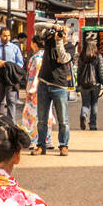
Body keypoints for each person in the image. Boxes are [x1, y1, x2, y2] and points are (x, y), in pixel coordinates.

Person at [32, 23, 73, 156]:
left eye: (64, 32)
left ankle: (63, 145)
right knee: (42, 119)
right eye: (62, 31)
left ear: (69, 35)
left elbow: (63, 58)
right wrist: (53, 26)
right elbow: (37, 26)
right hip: (44, 82)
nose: (62, 33)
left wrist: (59, 41)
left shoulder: (71, 47)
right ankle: (41, 146)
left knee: (63, 120)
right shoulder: (49, 38)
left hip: (59, 86)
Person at [22, 33, 55, 151]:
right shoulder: (47, 55)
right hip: (48, 88)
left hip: (36, 90)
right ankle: (47, 139)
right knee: (47, 115)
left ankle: (33, 140)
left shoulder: (36, 58)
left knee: (32, 115)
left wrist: (31, 90)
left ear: (35, 44)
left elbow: (34, 75)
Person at [76, 38, 103, 131]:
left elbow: (79, 71)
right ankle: (92, 124)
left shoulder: (81, 57)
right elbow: (101, 72)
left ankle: (83, 115)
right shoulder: (98, 56)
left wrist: (79, 84)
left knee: (85, 103)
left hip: (84, 84)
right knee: (94, 104)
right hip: (95, 84)